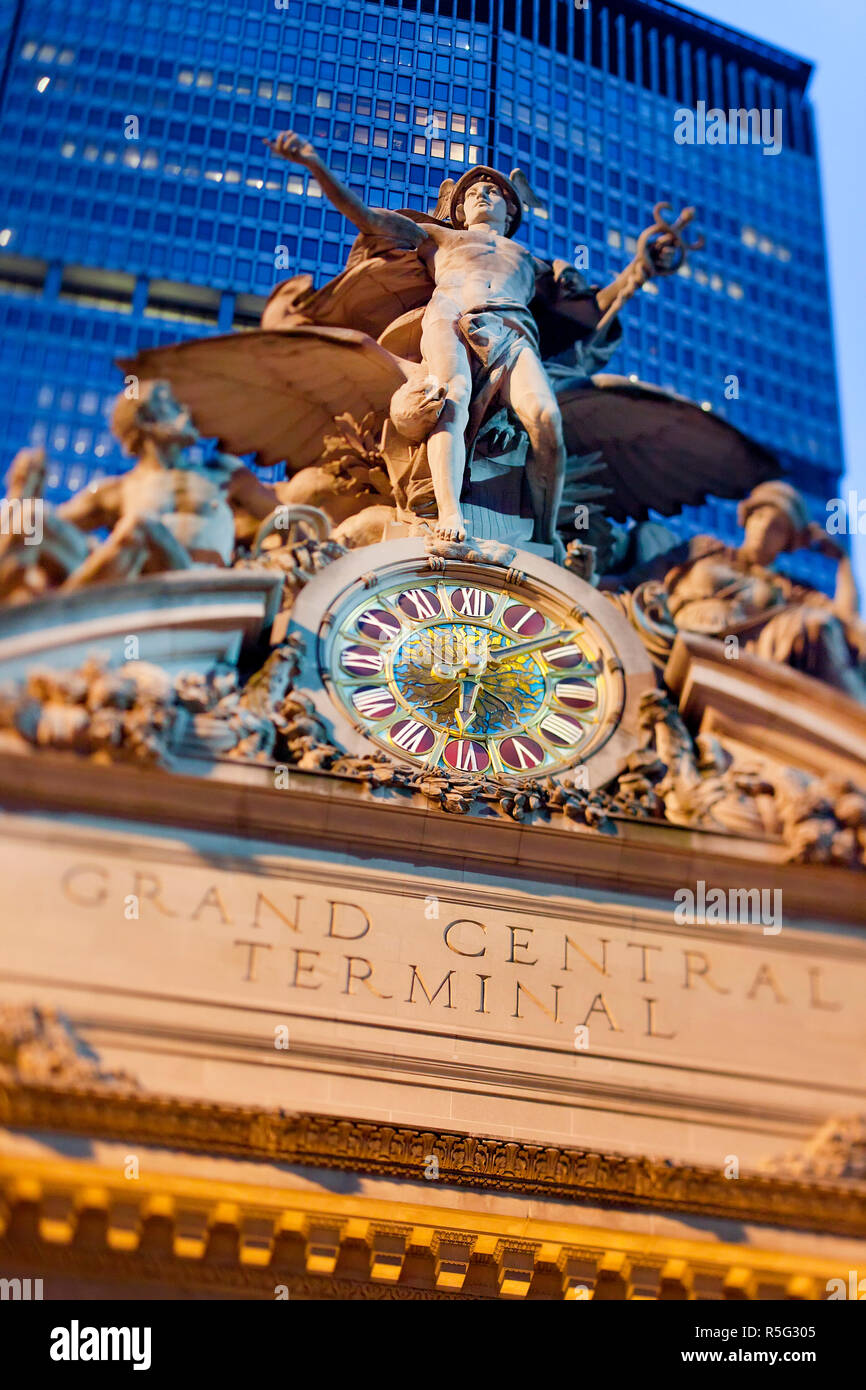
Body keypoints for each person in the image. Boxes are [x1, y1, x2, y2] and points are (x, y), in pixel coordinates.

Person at [265, 132, 666, 554]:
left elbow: (594, 310)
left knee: (546, 420)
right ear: (457, 208)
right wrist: (315, 164)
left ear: (511, 209)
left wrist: (640, 268)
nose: (482, 195)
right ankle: (450, 513)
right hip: (451, 316)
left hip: (512, 330)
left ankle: (545, 532)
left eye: (492, 191)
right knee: (450, 400)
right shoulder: (439, 238)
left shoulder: (533, 264)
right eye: (473, 192)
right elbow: (367, 217)